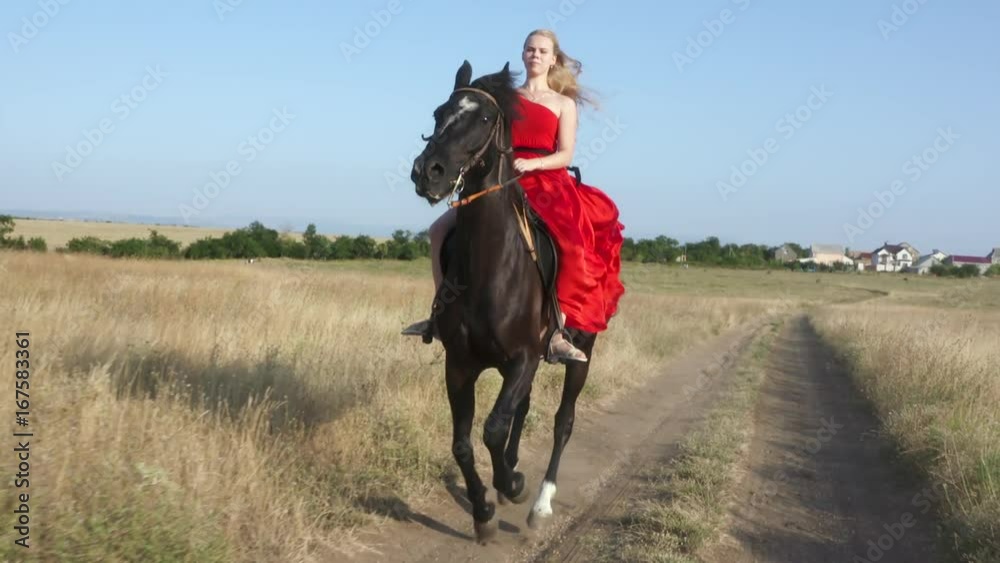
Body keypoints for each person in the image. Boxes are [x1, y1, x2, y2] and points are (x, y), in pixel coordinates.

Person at [403, 29, 626, 363]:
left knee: (572, 246)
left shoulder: (563, 104)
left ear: (553, 59)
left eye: (542, 51)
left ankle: (557, 331)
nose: (534, 55)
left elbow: (565, 154)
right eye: (529, 49)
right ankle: (439, 314)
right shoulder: (506, 101)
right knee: (438, 231)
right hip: (502, 181)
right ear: (523, 55)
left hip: (548, 184)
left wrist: (534, 163)